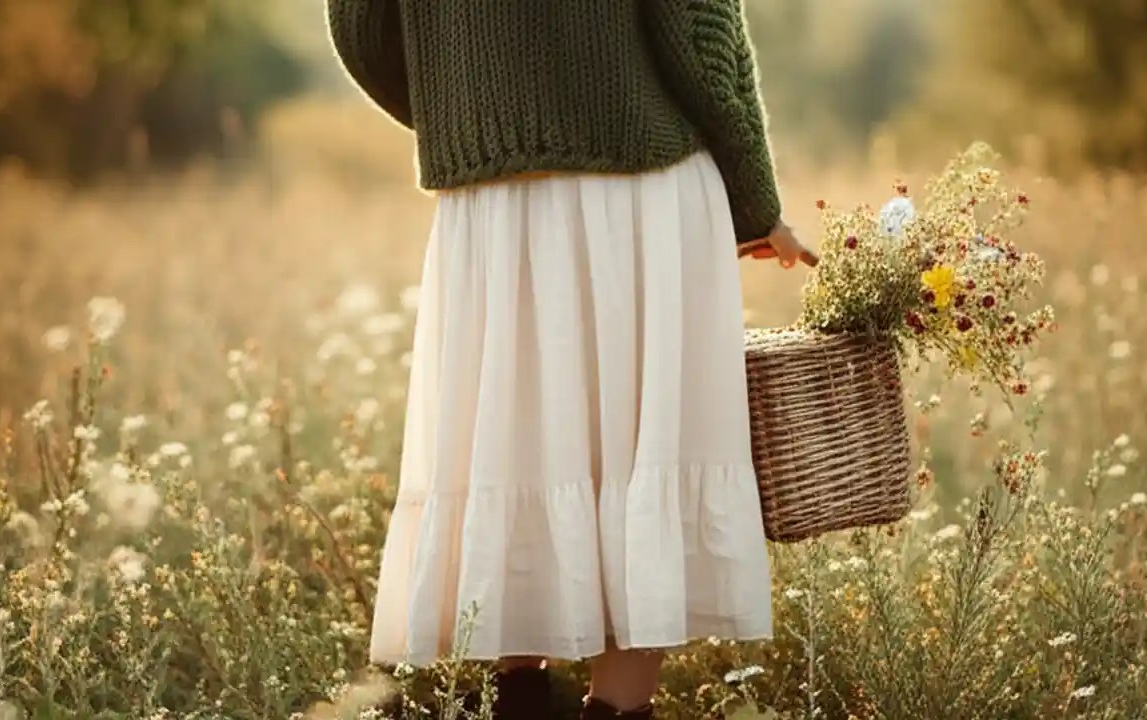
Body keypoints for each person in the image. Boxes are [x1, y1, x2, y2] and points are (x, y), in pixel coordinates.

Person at [327, 2, 811, 718]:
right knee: (633, 455)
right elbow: (696, 30)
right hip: (639, 190)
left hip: (487, 206)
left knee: (512, 452)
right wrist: (754, 198)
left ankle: (519, 698)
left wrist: (480, 101)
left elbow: (362, 32)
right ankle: (615, 704)